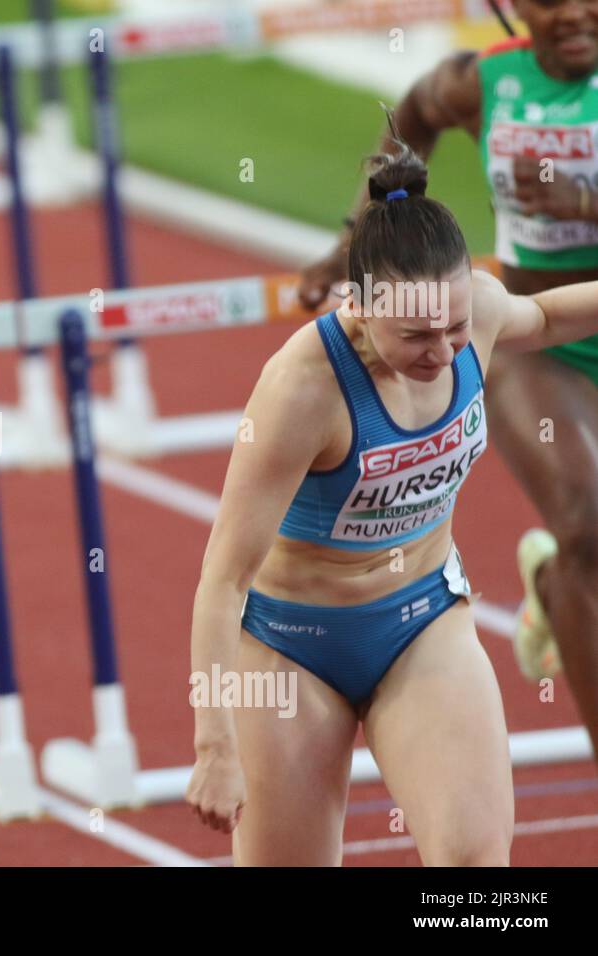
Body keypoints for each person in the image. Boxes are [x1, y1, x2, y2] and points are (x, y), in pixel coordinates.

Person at [186, 127, 598, 865]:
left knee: (477, 873)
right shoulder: (300, 390)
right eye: (415, 336)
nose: (442, 352)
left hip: (422, 622)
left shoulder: (474, 311)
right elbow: (224, 578)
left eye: (455, 328)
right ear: (360, 306)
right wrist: (214, 741)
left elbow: (548, 317)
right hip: (290, 647)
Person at [299, 0, 598, 760]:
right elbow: (412, 118)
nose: (571, 11)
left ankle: (549, 593)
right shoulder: (484, 80)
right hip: (541, 335)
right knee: (588, 528)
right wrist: (358, 237)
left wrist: (585, 202)